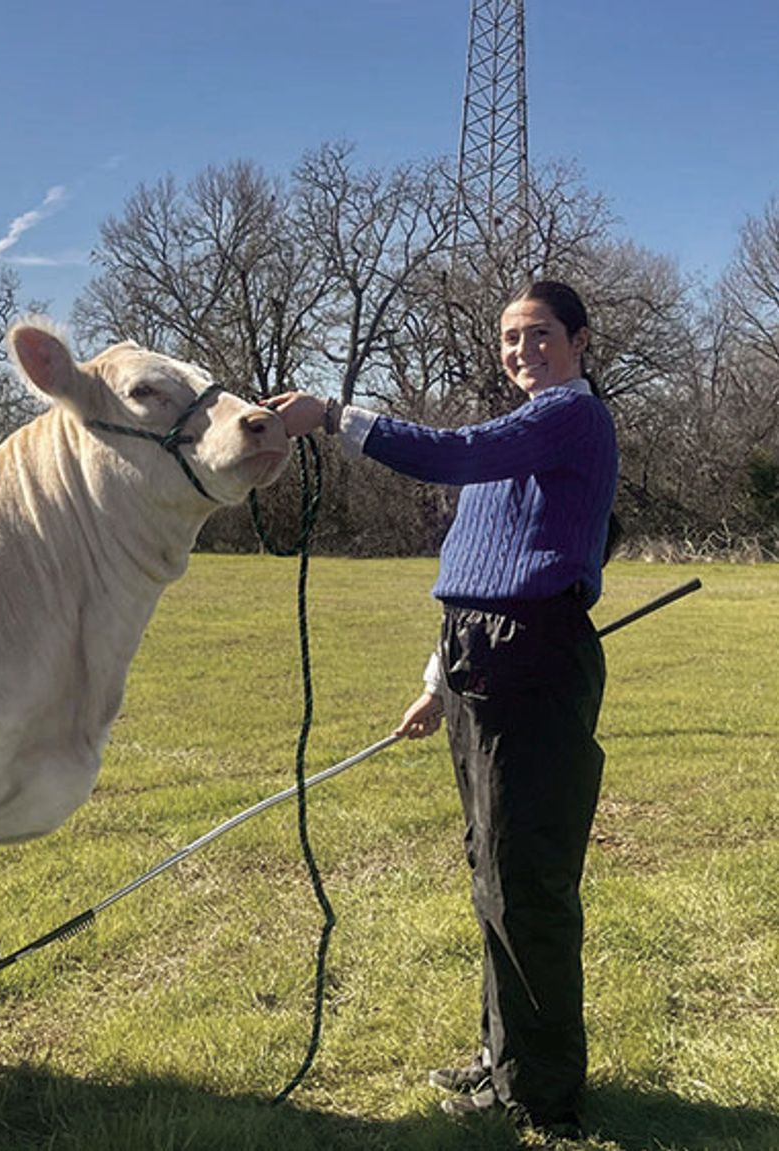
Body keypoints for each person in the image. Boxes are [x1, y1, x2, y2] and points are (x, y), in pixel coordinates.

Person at [268, 281, 617, 1138]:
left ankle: (542, 1094)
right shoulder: (520, 438)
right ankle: (508, 1059)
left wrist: (334, 416)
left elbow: (452, 453)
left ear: (576, 341)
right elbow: (473, 565)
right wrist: (436, 681)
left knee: (526, 877)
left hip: (531, 659)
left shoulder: (570, 418)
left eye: (539, 333)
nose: (522, 350)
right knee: (492, 869)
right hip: (480, 656)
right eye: (509, 337)